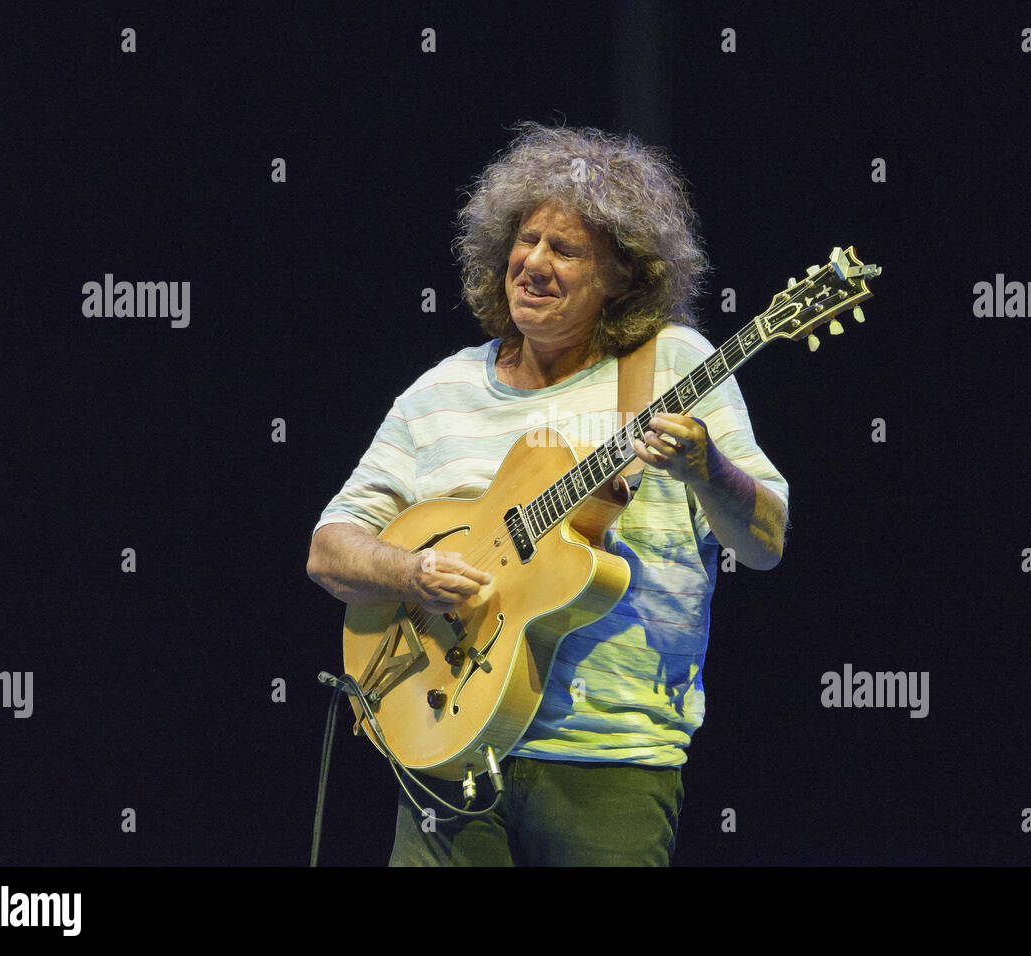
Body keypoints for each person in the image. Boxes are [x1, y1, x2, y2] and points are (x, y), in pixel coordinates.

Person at [306, 122, 789, 866]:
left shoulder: (671, 364)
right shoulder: (441, 392)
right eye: (525, 240)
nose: (532, 262)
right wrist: (413, 574)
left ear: (623, 277)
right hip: (445, 752)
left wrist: (706, 470)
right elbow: (329, 548)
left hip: (614, 761)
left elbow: (764, 545)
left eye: (564, 249)